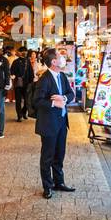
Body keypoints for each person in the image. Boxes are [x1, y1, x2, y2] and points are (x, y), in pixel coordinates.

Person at [35, 47, 76, 199]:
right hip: (48, 124)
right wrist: (53, 104)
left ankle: (59, 182)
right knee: (47, 156)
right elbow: (37, 101)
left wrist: (64, 99)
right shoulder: (44, 79)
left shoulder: (62, 76)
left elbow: (70, 93)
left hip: (61, 123)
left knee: (59, 154)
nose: (62, 59)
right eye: (60, 56)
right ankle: (47, 186)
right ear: (54, 61)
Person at [10, 47, 32, 122]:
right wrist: (13, 75)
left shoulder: (28, 61)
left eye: (25, 51)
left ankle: (23, 112)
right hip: (18, 84)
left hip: (27, 84)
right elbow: (11, 71)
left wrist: (31, 83)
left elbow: (31, 72)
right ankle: (19, 116)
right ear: (19, 52)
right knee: (18, 101)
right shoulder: (15, 62)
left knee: (27, 100)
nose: (24, 53)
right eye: (22, 51)